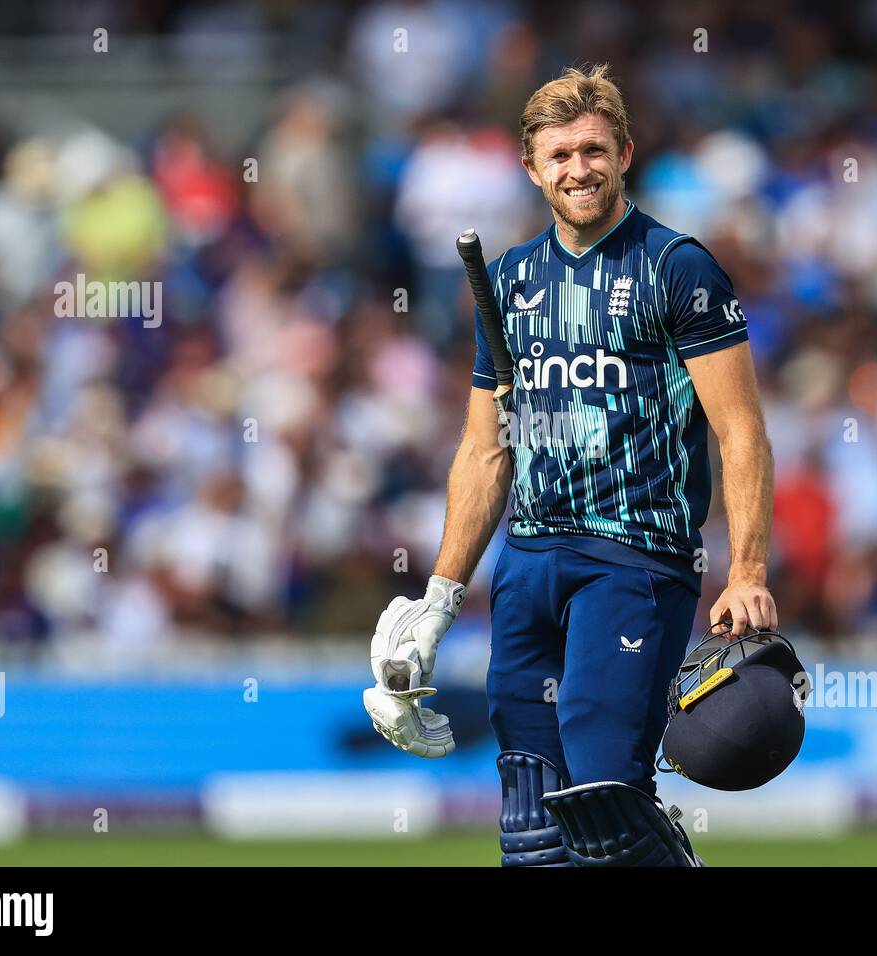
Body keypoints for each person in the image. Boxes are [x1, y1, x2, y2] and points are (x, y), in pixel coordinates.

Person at [363, 64, 776, 867]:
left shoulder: (677, 266)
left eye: (593, 150)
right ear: (531, 168)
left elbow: (742, 431)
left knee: (605, 805)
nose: (577, 169)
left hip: (634, 561)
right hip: (527, 565)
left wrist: (749, 568)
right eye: (559, 155)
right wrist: (439, 600)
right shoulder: (510, 280)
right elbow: (486, 449)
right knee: (529, 824)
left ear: (625, 153)